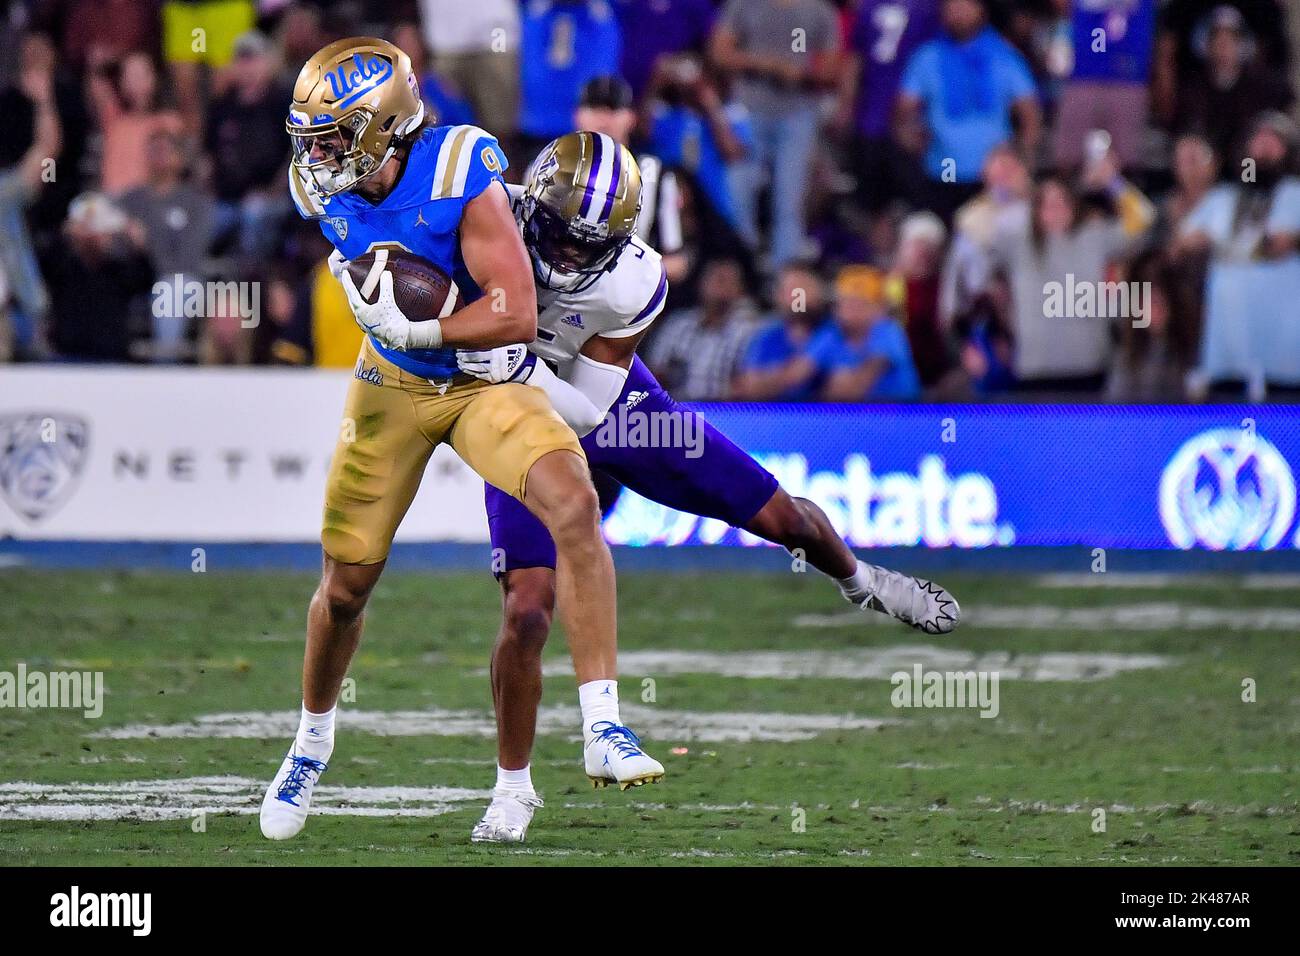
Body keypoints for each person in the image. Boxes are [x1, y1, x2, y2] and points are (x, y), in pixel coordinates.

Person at [461, 133, 961, 841]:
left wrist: (516, 364)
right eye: (561, 238)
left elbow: (592, 408)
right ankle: (513, 791)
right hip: (515, 419)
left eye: (588, 245)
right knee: (528, 612)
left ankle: (863, 580)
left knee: (779, 514)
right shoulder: (485, 215)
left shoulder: (636, 275)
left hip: (608, 405)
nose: (569, 257)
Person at [259, 38, 662, 843]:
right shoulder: (315, 184)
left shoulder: (458, 165)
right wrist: (370, 290)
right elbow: (363, 248)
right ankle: (310, 742)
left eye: (335, 135)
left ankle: (604, 725)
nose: (318, 152)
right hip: (391, 386)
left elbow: (513, 311)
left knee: (575, 505)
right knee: (343, 589)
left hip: (480, 377)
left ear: (383, 127)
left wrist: (421, 319)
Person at [709, 0, 842, 269]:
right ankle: (742, 269)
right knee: (737, 194)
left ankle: (785, 278)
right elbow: (719, 52)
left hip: (797, 113)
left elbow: (832, 67)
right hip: (747, 112)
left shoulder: (819, 10)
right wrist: (765, 64)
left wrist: (803, 73)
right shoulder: (744, 5)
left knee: (790, 200)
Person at [895, 0, 1041, 221]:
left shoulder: (1004, 56)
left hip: (993, 177)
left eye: (964, 7)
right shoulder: (927, 57)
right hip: (941, 172)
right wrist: (909, 138)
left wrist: (1022, 160)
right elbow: (904, 110)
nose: (958, 14)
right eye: (951, 8)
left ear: (980, 10)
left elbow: (1030, 115)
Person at [646, 257, 756, 400]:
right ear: (701, 284)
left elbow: (750, 383)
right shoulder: (677, 324)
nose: (722, 287)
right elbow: (653, 373)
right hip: (675, 408)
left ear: (740, 289)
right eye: (717, 279)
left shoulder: (749, 331)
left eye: (729, 281)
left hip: (727, 412)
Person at [811, 265, 922, 401]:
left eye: (861, 303)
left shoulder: (888, 330)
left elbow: (861, 383)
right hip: (849, 416)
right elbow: (797, 371)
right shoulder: (831, 333)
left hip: (900, 415)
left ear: (880, 308)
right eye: (846, 302)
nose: (852, 310)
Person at [733, 261, 830, 400]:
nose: (798, 298)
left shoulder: (834, 332)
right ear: (779, 296)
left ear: (820, 293)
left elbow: (842, 391)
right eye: (792, 289)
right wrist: (789, 374)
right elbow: (748, 387)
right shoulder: (767, 334)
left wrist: (770, 378)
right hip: (773, 417)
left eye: (803, 288)